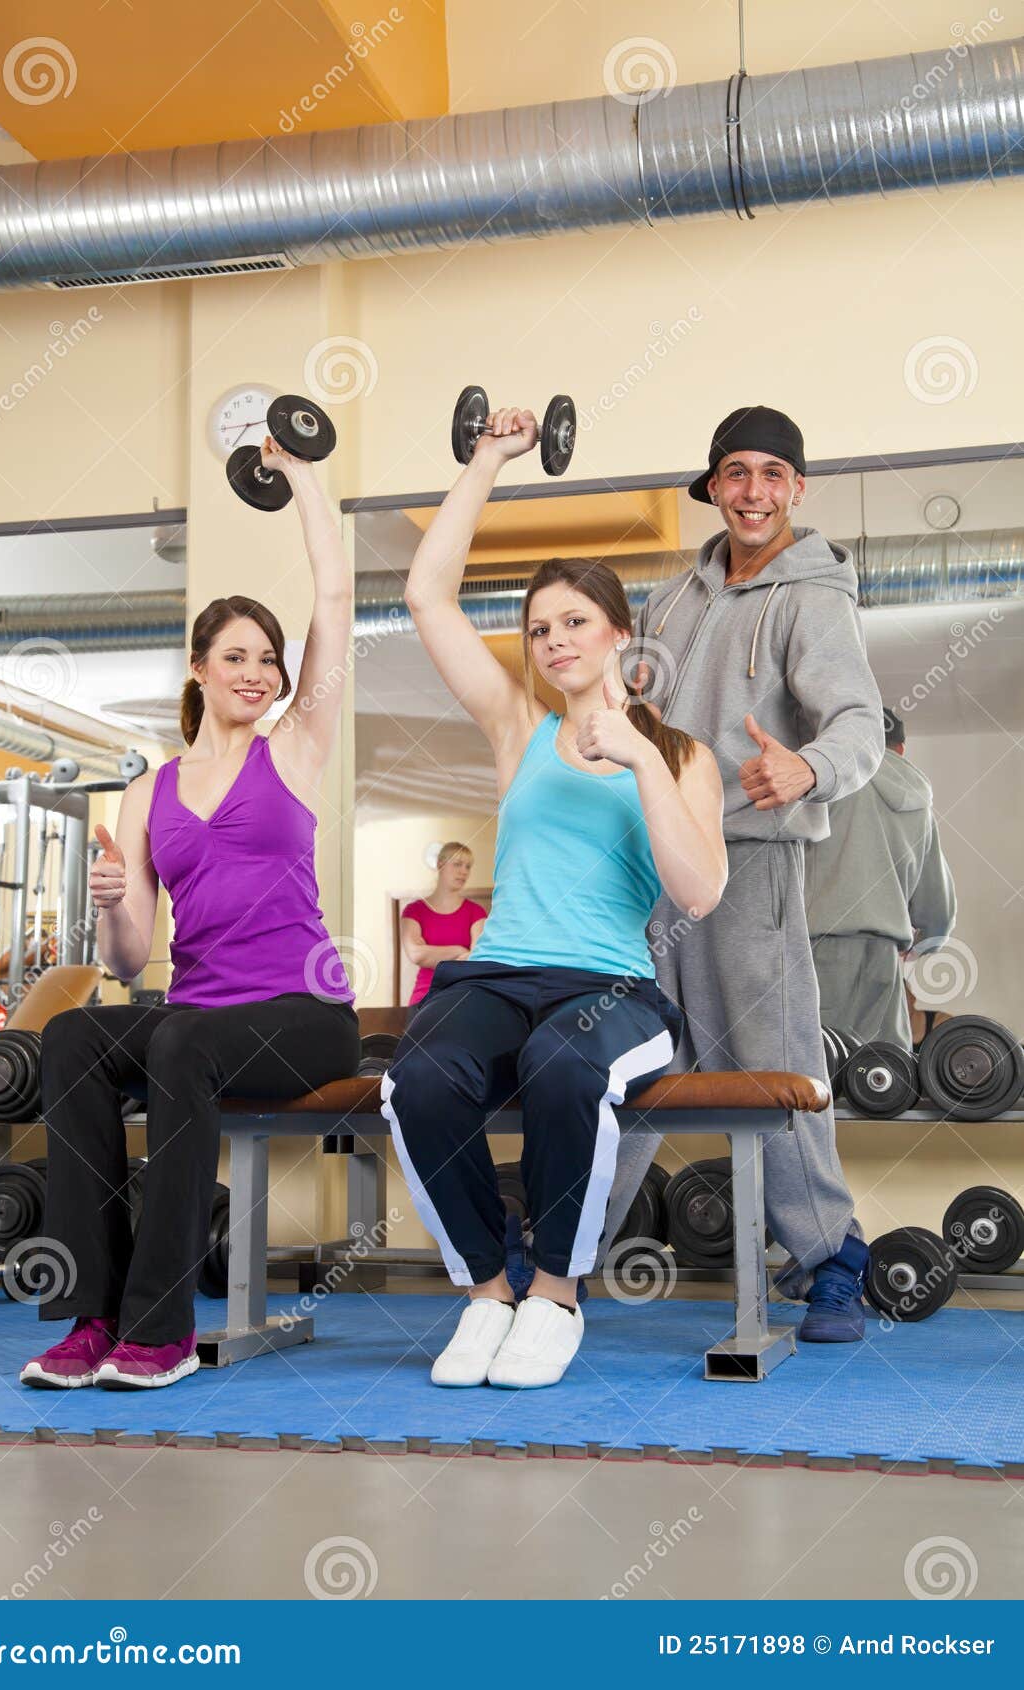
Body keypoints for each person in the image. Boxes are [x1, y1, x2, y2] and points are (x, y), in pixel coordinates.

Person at [381, 404, 726, 1390]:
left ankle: (556, 1294)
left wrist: (639, 762)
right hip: (496, 972)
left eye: (575, 620)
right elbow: (425, 592)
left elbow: (697, 893)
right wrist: (489, 457)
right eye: (538, 628)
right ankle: (489, 1287)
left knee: (559, 1061)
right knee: (421, 1077)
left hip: (609, 986)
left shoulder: (678, 752)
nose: (554, 639)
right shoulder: (515, 727)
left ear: (619, 631)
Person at [20, 438, 360, 1391]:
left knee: (180, 1045)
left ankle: (161, 1329)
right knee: (74, 1038)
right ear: (200, 668)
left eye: (269, 659)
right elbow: (135, 959)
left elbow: (333, 603)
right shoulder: (149, 790)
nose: (257, 673)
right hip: (201, 1018)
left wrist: (299, 477)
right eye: (236, 657)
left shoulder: (292, 750)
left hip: (304, 1018)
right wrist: (111, 907)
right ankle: (92, 1317)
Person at [603, 405, 885, 1342]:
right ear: (712, 488)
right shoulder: (674, 600)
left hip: (751, 857)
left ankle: (832, 1254)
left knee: (771, 1065)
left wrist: (809, 767)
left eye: (771, 474)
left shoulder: (814, 597)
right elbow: (634, 714)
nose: (752, 491)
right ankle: (565, 1249)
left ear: (795, 488)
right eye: (735, 473)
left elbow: (855, 718)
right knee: (628, 1061)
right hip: (656, 863)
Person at [806, 706, 956, 1047]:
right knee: (883, 1076)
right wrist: (924, 943)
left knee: (817, 1073)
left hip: (817, 947)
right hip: (884, 955)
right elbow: (938, 908)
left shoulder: (824, 779)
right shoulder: (919, 803)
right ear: (900, 749)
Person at [400, 842, 487, 1011]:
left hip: (463, 996)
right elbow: (417, 954)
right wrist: (459, 951)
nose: (464, 871)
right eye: (457, 864)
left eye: (468, 866)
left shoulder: (476, 912)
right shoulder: (414, 910)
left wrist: (432, 954)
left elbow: (476, 960)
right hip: (423, 998)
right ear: (440, 864)